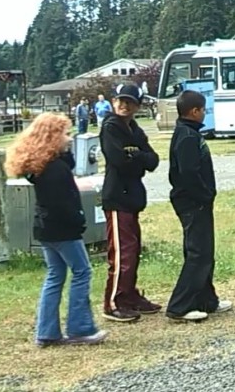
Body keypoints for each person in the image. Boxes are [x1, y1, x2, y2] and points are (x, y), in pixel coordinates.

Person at [4, 113, 108, 347]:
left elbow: (68, 165)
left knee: (55, 275)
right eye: (64, 134)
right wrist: (79, 221)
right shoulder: (56, 170)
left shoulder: (42, 167)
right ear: (53, 137)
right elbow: (64, 202)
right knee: (82, 271)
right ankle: (80, 328)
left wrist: (66, 150)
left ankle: (47, 331)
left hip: (46, 229)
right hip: (63, 230)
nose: (68, 138)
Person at [165, 90, 232, 322]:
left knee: (205, 252)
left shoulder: (190, 133)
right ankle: (179, 305)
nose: (204, 113)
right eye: (203, 109)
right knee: (198, 253)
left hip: (198, 201)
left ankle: (206, 299)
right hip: (192, 202)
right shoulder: (186, 137)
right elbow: (188, 174)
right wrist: (205, 195)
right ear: (194, 111)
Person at [100, 82, 160, 322]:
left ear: (137, 105)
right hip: (117, 197)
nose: (124, 105)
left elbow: (153, 160)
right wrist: (138, 158)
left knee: (133, 250)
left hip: (133, 197)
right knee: (122, 252)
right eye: (120, 101)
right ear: (114, 102)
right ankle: (114, 301)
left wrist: (135, 154)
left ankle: (130, 295)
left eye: (129, 102)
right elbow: (119, 159)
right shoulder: (111, 127)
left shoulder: (134, 129)